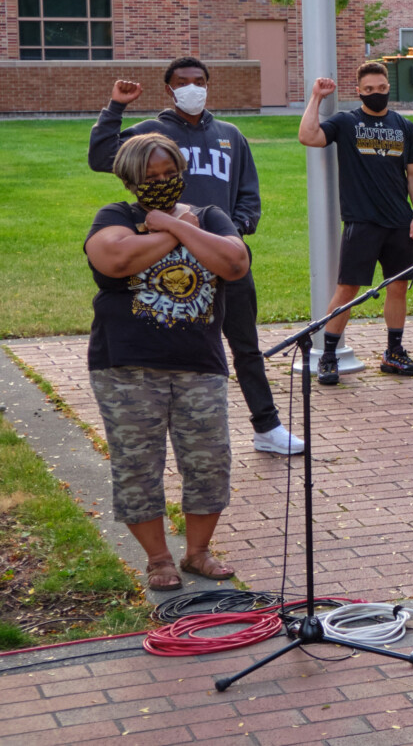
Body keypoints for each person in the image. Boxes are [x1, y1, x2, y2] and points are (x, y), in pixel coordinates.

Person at [88, 59, 300, 456]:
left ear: (208, 84)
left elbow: (248, 192)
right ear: (169, 89)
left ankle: (267, 425)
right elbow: (102, 158)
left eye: (199, 81)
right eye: (182, 82)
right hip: (165, 259)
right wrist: (115, 107)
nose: (192, 87)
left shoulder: (230, 135)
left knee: (245, 343)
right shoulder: (151, 132)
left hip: (218, 249)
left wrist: (234, 228)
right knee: (183, 337)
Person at [85, 134, 250, 591]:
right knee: (138, 466)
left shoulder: (210, 216)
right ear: (130, 181)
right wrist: (174, 230)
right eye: (150, 177)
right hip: (127, 365)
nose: (161, 182)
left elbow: (234, 263)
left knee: (209, 462)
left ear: (181, 172)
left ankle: (198, 553)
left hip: (199, 362)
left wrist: (175, 226)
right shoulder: (116, 217)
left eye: (169, 174)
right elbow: (116, 258)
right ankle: (158, 559)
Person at [297, 63, 413, 385]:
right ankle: (328, 356)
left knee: (398, 287)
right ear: (359, 91)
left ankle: (393, 353)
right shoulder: (346, 122)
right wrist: (316, 97)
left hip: (399, 221)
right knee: (348, 289)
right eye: (369, 90)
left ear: (388, 88)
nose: (376, 94)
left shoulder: (404, 125)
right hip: (362, 221)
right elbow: (308, 136)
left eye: (381, 88)